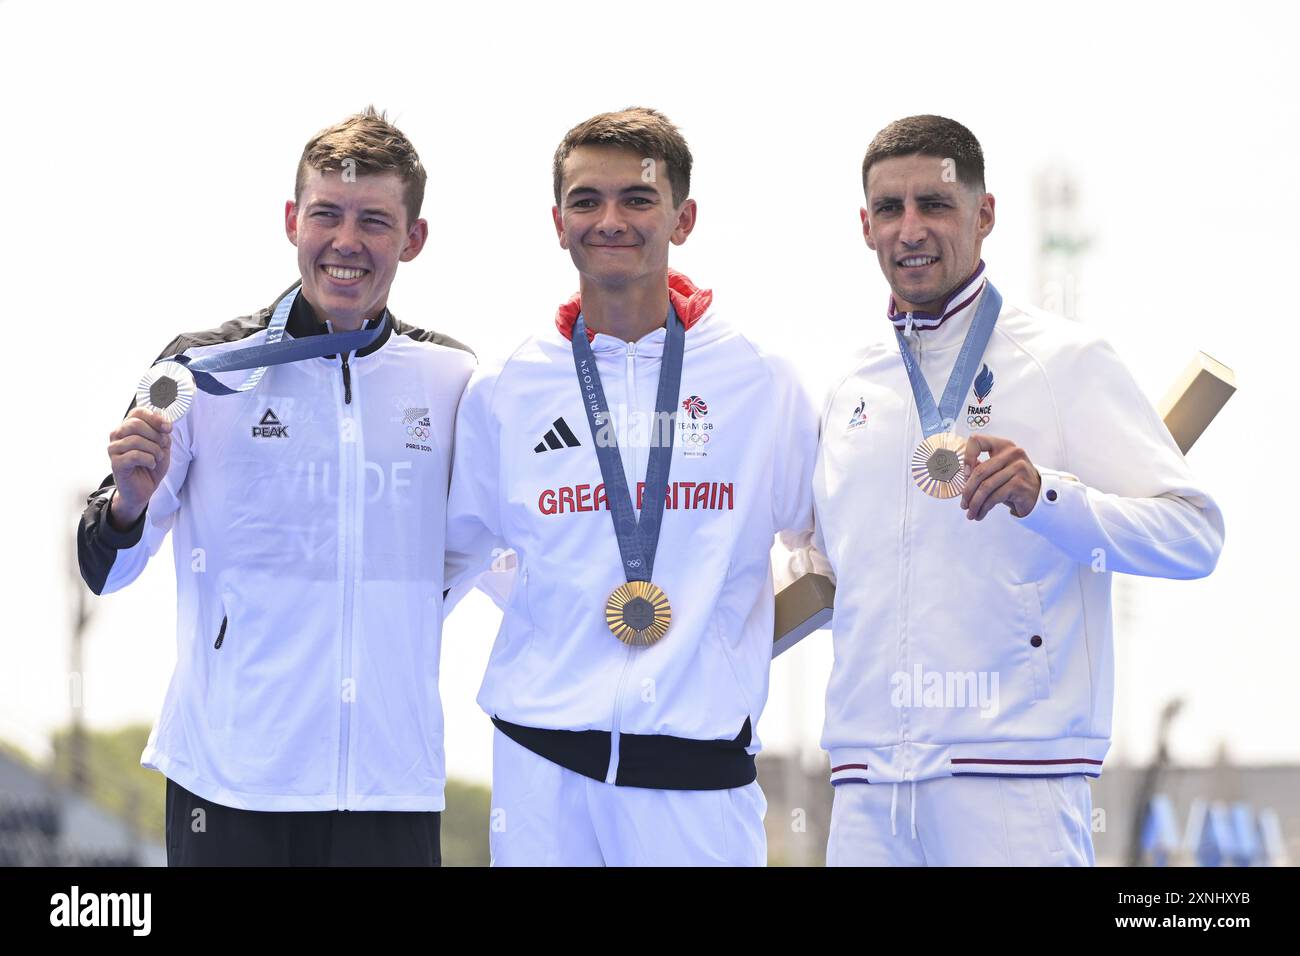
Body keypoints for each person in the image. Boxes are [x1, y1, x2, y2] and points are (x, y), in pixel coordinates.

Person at [811, 114, 1224, 865]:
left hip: (1015, 779)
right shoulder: (848, 388)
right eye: (889, 209)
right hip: (868, 784)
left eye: (934, 205)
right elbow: (818, 574)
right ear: (865, 227)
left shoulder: (1064, 362)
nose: (911, 229)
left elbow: (1194, 537)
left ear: (984, 213)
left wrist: (1050, 499)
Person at [75, 107, 474, 866]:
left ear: (414, 239)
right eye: (326, 213)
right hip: (229, 783)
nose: (346, 242)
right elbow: (105, 567)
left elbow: (498, 553)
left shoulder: (454, 378)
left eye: (375, 221)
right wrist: (129, 501)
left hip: (389, 786)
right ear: (292, 220)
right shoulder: (195, 366)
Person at [444, 107, 818, 866]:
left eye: (638, 199)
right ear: (557, 222)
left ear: (682, 217)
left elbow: (834, 559)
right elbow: (452, 559)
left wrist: (722, 640)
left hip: (698, 776)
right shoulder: (507, 389)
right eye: (587, 200)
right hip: (539, 769)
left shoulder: (759, 381)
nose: (610, 219)